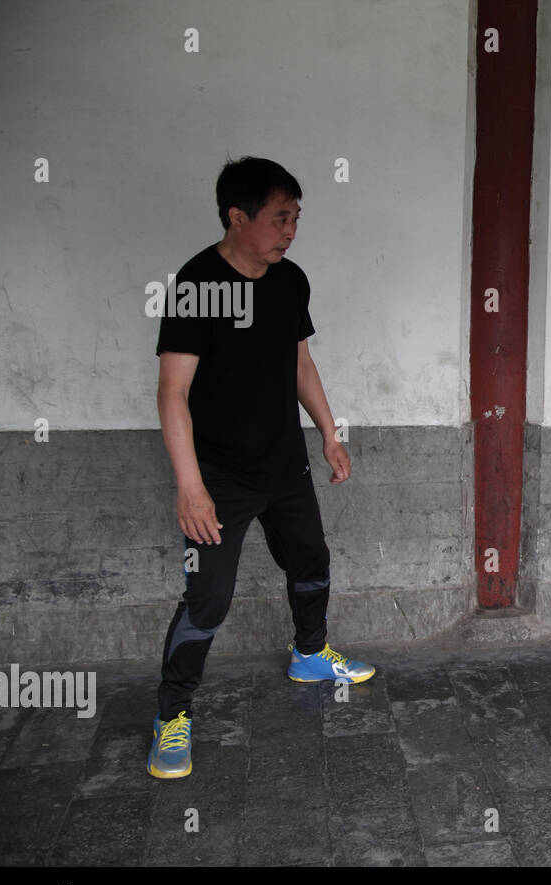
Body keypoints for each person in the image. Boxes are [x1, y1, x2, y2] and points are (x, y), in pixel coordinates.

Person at [148, 157, 375, 779]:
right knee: (207, 600)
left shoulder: (289, 279)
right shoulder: (196, 286)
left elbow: (300, 362)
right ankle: (173, 715)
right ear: (237, 217)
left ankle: (309, 653)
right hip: (219, 478)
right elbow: (172, 393)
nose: (291, 230)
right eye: (280, 218)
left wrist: (329, 432)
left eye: (296, 217)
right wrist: (190, 487)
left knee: (310, 561)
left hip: (285, 463)